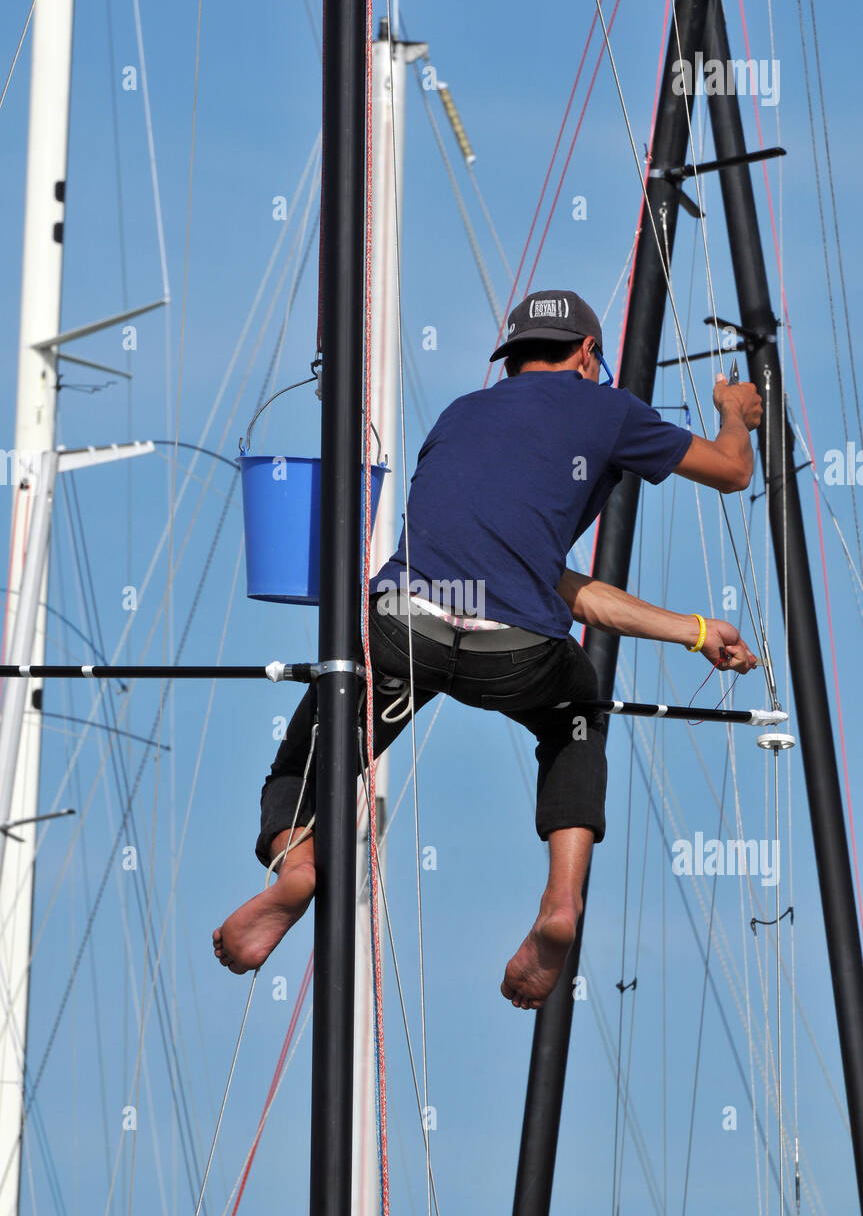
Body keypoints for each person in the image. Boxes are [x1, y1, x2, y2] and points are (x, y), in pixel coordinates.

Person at [214, 289, 762, 1010]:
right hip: (516, 644)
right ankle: (560, 900)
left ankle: (295, 867)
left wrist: (693, 629)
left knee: (307, 755)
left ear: (514, 358)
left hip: (404, 622)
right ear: (588, 356)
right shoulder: (609, 409)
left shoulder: (460, 416)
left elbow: (547, 579)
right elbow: (731, 471)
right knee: (577, 708)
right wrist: (735, 414)